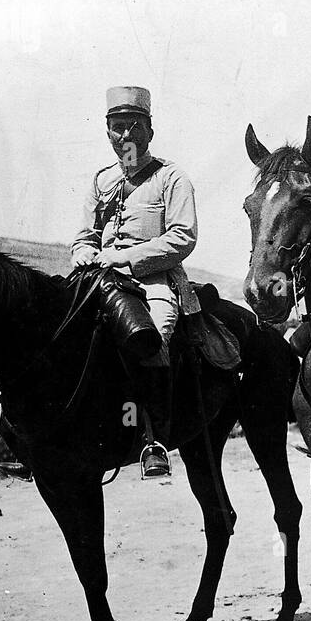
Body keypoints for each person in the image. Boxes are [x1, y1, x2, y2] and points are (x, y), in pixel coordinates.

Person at [71, 86, 200, 478]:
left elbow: (182, 236)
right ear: (107, 132)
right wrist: (81, 252)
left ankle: (153, 438)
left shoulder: (170, 177)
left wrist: (121, 258)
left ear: (149, 130)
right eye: (116, 127)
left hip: (152, 282)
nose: (124, 136)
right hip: (98, 279)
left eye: (133, 126)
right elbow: (84, 235)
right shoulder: (101, 180)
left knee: (153, 336)